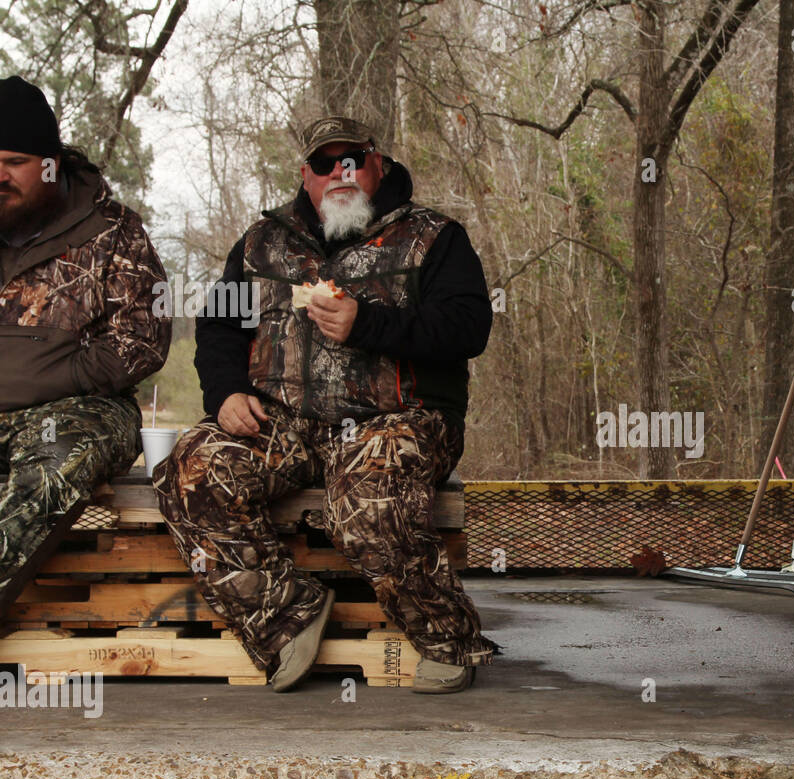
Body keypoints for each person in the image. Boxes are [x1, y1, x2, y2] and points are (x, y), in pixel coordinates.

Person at [153, 115, 496, 692]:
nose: (339, 172)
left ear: (377, 164)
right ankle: (288, 618)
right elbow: (217, 326)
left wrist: (370, 324)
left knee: (367, 491)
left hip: (402, 418)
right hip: (286, 421)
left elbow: (469, 327)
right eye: (323, 163)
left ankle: (445, 635)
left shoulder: (433, 236)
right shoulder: (263, 244)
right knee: (190, 469)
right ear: (305, 176)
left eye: (352, 159)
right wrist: (226, 393)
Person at [0, 76, 170, 612]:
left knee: (54, 461)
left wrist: (37, 375)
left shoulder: (113, 231)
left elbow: (142, 340)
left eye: (13, 162)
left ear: (50, 163)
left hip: (83, 411)